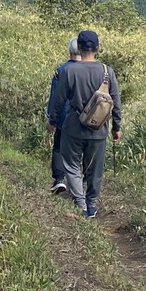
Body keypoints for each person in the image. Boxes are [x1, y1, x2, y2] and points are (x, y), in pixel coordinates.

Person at [46, 29, 121, 218]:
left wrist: (52, 121)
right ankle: (92, 204)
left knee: (71, 165)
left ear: (78, 47)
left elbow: (59, 99)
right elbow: (116, 101)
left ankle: (80, 203)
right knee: (95, 168)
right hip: (99, 129)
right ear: (97, 48)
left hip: (73, 127)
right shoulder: (107, 71)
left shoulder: (70, 70)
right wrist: (116, 127)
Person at [46, 37, 80, 193]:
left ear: (70, 51)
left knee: (59, 147)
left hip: (63, 116)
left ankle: (59, 179)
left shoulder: (61, 70)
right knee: (78, 150)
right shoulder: (90, 70)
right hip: (83, 118)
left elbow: (55, 96)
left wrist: (51, 118)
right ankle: (79, 183)